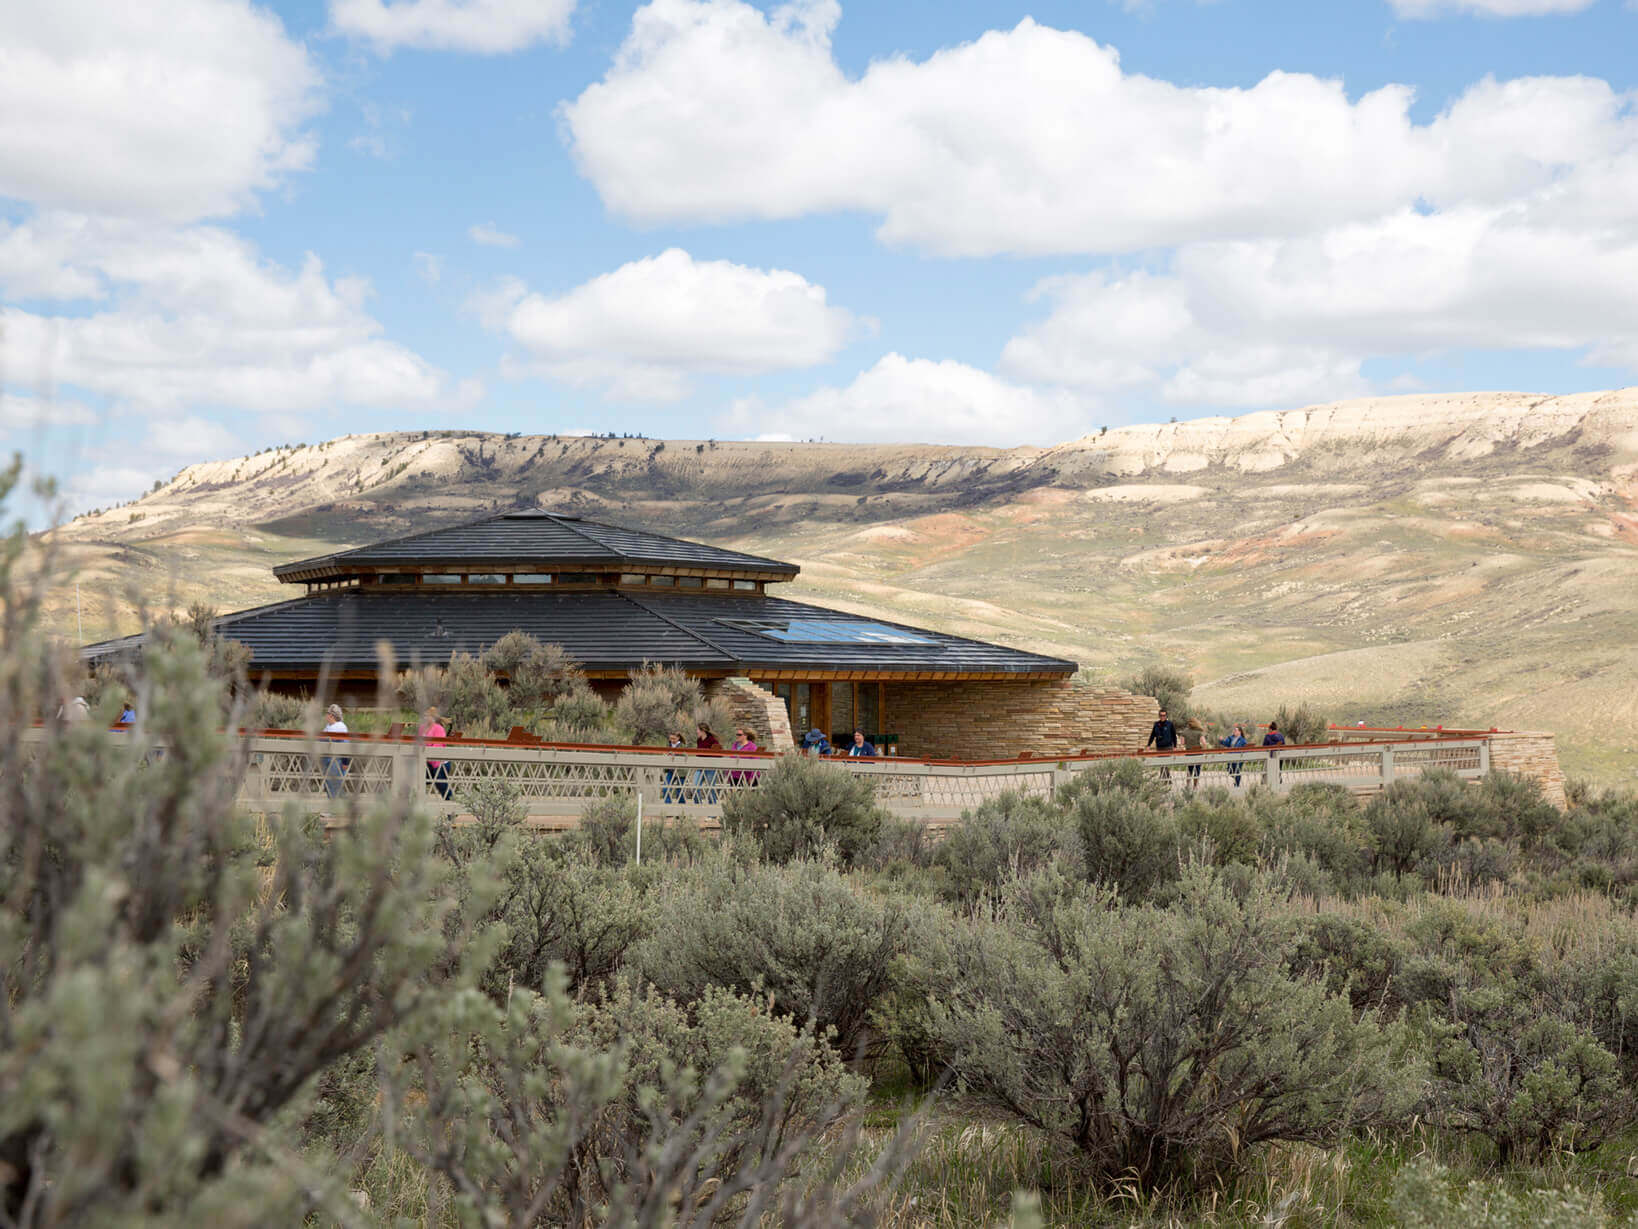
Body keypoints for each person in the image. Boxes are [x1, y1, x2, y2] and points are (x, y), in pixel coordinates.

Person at [420, 705, 452, 800]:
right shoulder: (422, 728)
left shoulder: (439, 729)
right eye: (424, 716)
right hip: (427, 761)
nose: (425, 718)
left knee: (441, 784)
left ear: (433, 718)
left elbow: (438, 745)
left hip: (440, 762)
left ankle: (450, 803)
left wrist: (425, 752)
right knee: (417, 779)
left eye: (427, 716)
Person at [321, 703, 349, 799]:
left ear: (331, 716)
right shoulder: (329, 726)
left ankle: (335, 806)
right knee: (330, 785)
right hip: (329, 760)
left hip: (337, 761)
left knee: (334, 785)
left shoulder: (340, 727)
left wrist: (345, 761)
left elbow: (345, 745)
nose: (326, 716)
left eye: (327, 714)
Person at [692, 722, 721, 803]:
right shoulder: (699, 740)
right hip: (700, 767)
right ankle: (698, 805)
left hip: (710, 767)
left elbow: (718, 753)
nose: (696, 731)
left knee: (710, 789)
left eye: (697, 730)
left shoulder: (712, 740)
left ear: (703, 731)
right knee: (694, 787)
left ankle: (712, 808)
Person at [1181, 716, 1207, 787]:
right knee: (1197, 770)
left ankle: (1187, 785)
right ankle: (1194, 787)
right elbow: (1204, 743)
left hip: (1189, 753)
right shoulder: (1199, 732)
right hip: (1198, 753)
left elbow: (1182, 743)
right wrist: (1204, 751)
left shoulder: (1185, 732)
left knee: (1189, 770)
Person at [662, 730, 686, 803]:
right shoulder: (668, 745)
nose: (672, 740)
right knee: (665, 788)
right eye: (670, 738)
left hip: (681, 771)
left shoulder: (683, 746)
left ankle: (682, 808)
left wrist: (674, 754)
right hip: (671, 770)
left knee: (680, 792)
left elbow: (684, 757)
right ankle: (668, 806)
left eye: (674, 739)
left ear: (678, 738)